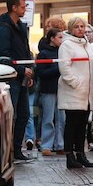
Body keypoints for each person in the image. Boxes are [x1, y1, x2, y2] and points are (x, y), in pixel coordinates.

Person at [0, 0, 35, 161]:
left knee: (23, 114)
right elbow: (4, 56)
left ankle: (17, 149)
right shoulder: (4, 29)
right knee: (13, 114)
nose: (25, 9)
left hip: (22, 76)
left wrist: (29, 70)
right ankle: (9, 150)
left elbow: (25, 51)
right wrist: (21, 69)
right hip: (11, 78)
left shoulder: (21, 27)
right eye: (23, 6)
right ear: (14, 8)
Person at [58, 17, 93, 169]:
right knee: (71, 125)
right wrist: (76, 83)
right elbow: (65, 68)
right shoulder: (66, 45)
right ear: (71, 28)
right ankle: (69, 155)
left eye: (82, 26)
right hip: (73, 91)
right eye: (77, 26)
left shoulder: (88, 45)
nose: (80, 29)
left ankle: (81, 154)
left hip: (87, 92)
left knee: (82, 126)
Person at [35, 27, 65, 156]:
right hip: (48, 89)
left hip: (62, 89)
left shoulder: (63, 52)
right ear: (52, 39)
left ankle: (60, 144)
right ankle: (46, 145)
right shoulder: (44, 54)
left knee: (61, 119)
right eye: (59, 37)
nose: (62, 40)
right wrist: (57, 68)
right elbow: (41, 72)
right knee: (48, 118)